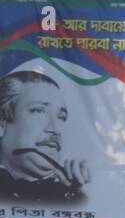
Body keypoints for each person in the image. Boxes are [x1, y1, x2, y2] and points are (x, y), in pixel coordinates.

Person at [0, 70, 89, 200]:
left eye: (61, 117)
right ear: (2, 121)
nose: (56, 129)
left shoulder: (74, 197)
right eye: (39, 111)